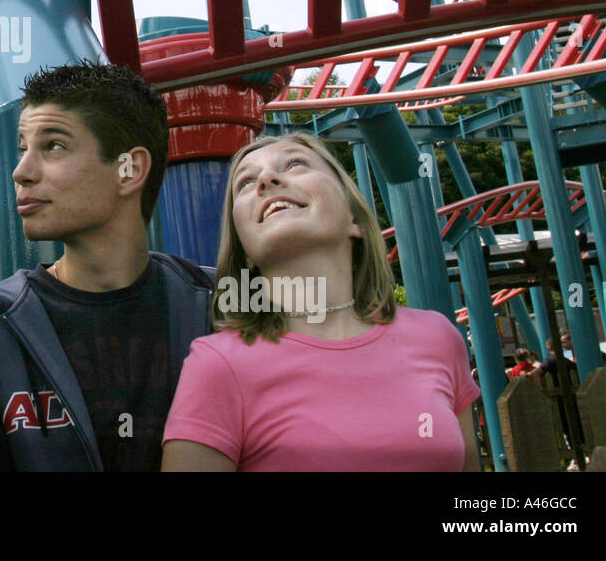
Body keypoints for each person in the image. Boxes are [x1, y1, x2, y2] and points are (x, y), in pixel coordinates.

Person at [162, 133, 482, 472]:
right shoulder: (217, 364)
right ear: (244, 248)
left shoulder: (436, 337)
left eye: (295, 163)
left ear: (354, 219)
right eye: (245, 182)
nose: (267, 180)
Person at [0, 60, 214, 471]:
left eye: (53, 145)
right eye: (23, 148)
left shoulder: (220, 305)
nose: (20, 172)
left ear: (130, 170)